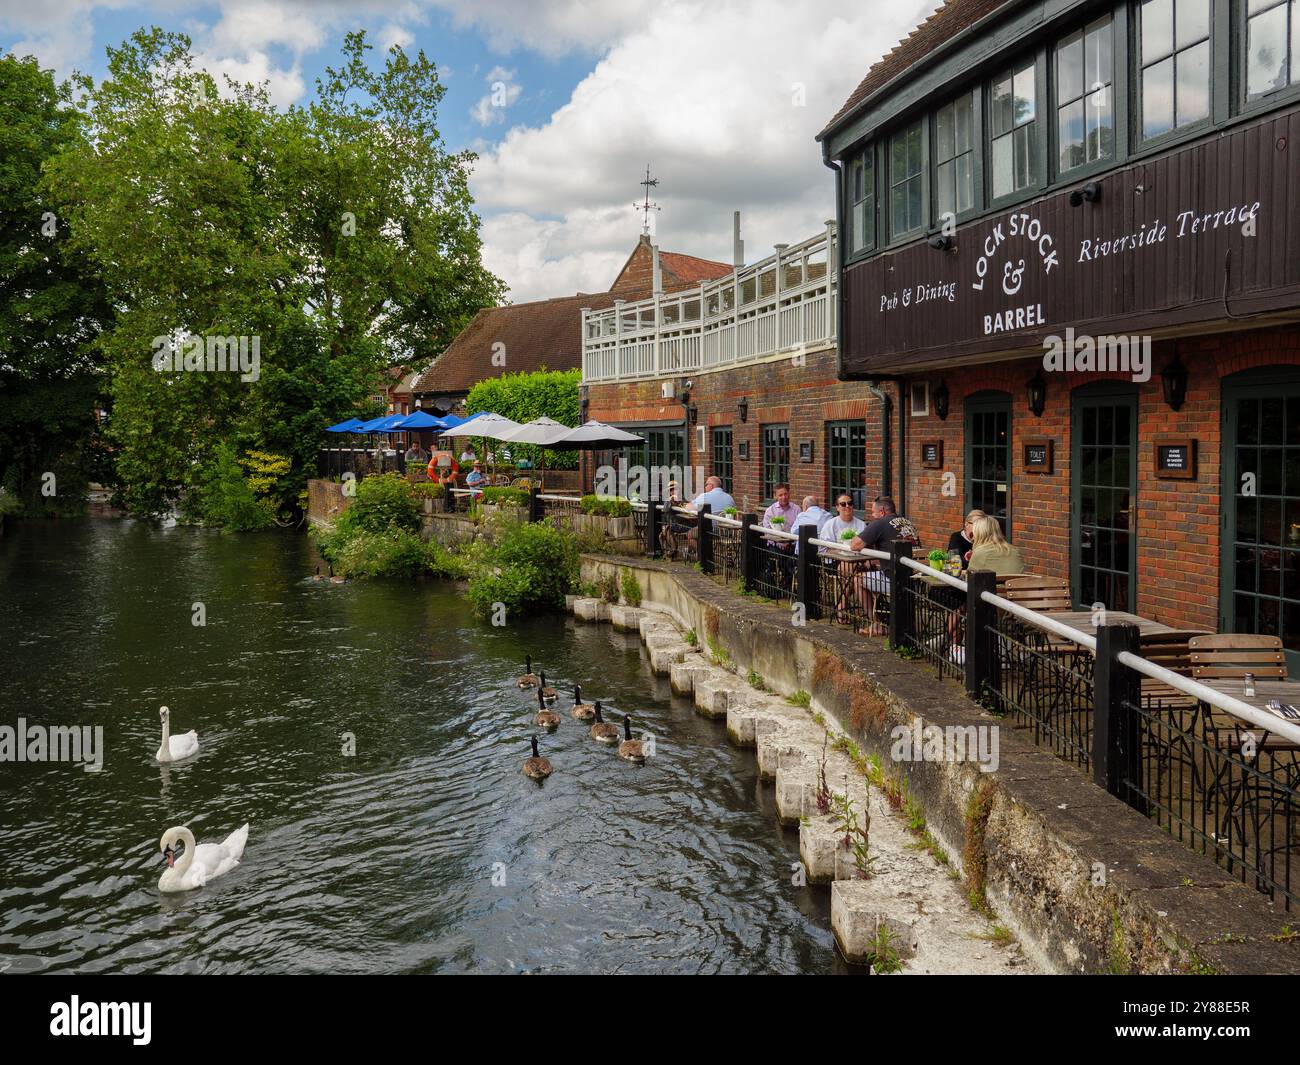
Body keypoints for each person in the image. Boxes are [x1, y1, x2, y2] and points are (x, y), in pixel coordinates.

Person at [852, 496, 921, 636]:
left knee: (858, 580)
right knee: (875, 572)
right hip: (915, 579)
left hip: (895, 580)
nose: (872, 515)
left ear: (882, 511)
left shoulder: (881, 523)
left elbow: (855, 545)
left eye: (873, 512)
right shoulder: (906, 522)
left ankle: (876, 624)